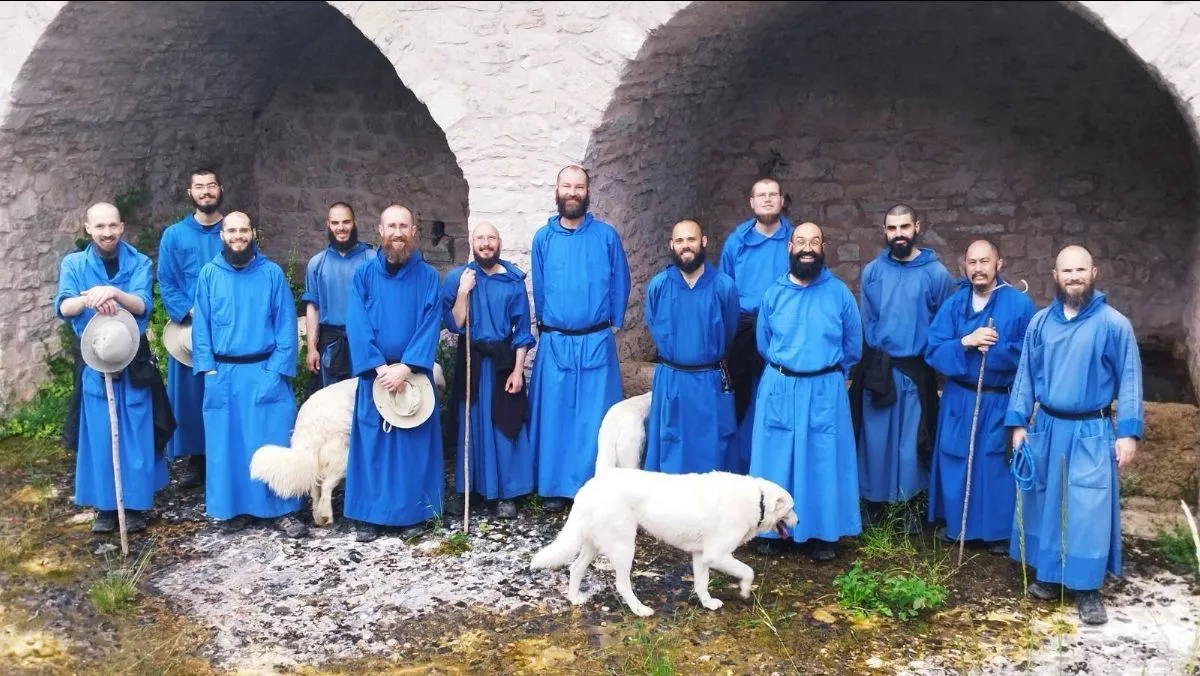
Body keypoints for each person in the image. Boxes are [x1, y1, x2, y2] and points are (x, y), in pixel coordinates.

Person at [1006, 245, 1142, 626]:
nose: (1074, 277)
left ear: (1094, 273)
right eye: (1067, 271)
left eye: (1081, 270)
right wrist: (1019, 425)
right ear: (1055, 275)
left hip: (1092, 429)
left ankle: (1087, 589)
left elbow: (1130, 379)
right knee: (1046, 502)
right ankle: (1048, 577)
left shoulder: (1114, 324)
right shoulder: (1040, 323)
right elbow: (1025, 376)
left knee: (1087, 509)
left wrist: (1128, 433)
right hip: (1047, 426)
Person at [749, 222, 863, 561]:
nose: (807, 247)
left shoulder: (839, 293)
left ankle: (823, 533)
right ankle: (771, 530)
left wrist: (827, 373)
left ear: (823, 247)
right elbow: (763, 341)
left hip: (824, 388)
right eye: (801, 241)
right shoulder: (774, 293)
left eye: (814, 241)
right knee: (774, 457)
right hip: (781, 386)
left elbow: (853, 344)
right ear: (790, 247)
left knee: (823, 460)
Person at [191, 211, 308, 538]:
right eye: (232, 230)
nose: (238, 236)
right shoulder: (209, 275)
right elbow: (201, 327)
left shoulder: (271, 274)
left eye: (244, 230)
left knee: (272, 440)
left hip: (264, 369)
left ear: (253, 232)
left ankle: (282, 509)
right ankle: (234, 509)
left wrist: (275, 371)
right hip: (224, 373)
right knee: (228, 444)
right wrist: (210, 371)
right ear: (222, 235)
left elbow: (286, 325)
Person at [55, 202, 167, 534]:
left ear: (122, 227)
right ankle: (106, 506)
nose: (107, 233)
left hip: (132, 355)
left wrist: (115, 293)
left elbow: (143, 304)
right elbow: (64, 305)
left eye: (113, 226)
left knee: (135, 429)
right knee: (101, 433)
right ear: (87, 228)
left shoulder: (139, 262)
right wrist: (88, 299)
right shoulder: (74, 264)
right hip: (94, 359)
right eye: (100, 226)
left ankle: (135, 505)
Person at [528, 165, 631, 511]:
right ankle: (554, 488)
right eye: (566, 186)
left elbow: (621, 281)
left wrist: (613, 322)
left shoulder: (606, 236)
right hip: (556, 341)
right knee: (555, 415)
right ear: (556, 190)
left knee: (595, 415)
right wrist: (548, 324)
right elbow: (540, 287)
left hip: (596, 340)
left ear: (588, 192)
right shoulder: (543, 239)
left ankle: (595, 486)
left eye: (579, 187)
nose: (573, 192)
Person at [924, 240, 1034, 554]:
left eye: (985, 261)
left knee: (994, 462)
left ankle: (996, 532)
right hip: (960, 398)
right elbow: (933, 348)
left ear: (999, 264)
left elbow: (1030, 357)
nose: (978, 268)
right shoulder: (955, 304)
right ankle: (957, 526)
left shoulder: (1019, 305)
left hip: (998, 398)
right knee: (955, 456)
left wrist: (997, 350)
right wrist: (966, 341)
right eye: (972, 262)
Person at [851, 204, 955, 534]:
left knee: (910, 444)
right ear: (885, 231)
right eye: (892, 228)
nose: (898, 234)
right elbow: (868, 319)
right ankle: (874, 504)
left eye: (904, 227)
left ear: (917, 227)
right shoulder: (872, 272)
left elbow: (944, 323)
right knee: (876, 441)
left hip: (915, 371)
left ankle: (908, 507)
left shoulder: (937, 274)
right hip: (881, 370)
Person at [344, 205, 444, 542]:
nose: (397, 232)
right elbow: (357, 322)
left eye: (404, 225)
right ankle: (370, 515)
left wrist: (407, 366)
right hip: (377, 373)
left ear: (414, 231)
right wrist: (380, 367)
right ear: (380, 230)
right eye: (391, 226)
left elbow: (431, 322)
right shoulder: (363, 275)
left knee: (412, 446)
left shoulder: (429, 277)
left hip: (412, 372)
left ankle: (413, 513)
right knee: (374, 443)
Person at [441, 222, 536, 520]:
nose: (486, 243)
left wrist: (518, 371)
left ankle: (506, 493)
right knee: (469, 423)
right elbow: (454, 324)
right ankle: (469, 489)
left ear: (500, 242)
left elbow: (522, 331)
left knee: (503, 424)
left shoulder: (512, 281)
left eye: (491, 238)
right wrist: (463, 293)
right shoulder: (459, 277)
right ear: (472, 241)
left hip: (502, 361)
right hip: (470, 359)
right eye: (480, 238)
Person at [643, 219, 740, 475]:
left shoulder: (724, 286)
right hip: (672, 379)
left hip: (709, 381)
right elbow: (653, 322)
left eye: (692, 239)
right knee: (670, 445)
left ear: (703, 242)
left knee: (713, 449)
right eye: (680, 240)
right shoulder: (659, 285)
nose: (686, 246)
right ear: (671, 245)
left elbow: (729, 330)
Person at [719, 177, 794, 474]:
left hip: (782, 328)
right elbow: (725, 287)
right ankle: (738, 467)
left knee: (776, 395)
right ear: (751, 202)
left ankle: (775, 466)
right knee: (740, 398)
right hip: (744, 326)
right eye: (760, 195)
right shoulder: (736, 242)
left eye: (772, 194)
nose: (766, 199)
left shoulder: (794, 239)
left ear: (781, 200)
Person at [157, 168, 226, 488]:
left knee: (223, 391)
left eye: (211, 186)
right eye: (199, 187)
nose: (206, 192)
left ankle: (225, 454)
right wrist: (189, 309)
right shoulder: (174, 235)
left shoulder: (234, 229)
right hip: (190, 328)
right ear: (190, 193)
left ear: (220, 189)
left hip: (228, 328)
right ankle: (197, 459)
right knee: (191, 394)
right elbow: (167, 280)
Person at [302, 202, 374, 392]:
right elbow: (313, 308)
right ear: (328, 225)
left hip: (365, 343)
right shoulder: (316, 263)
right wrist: (311, 348)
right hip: (331, 346)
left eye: (346, 222)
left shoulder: (372, 260)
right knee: (331, 404)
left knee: (364, 399)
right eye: (335, 223)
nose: (340, 227)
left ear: (355, 223)